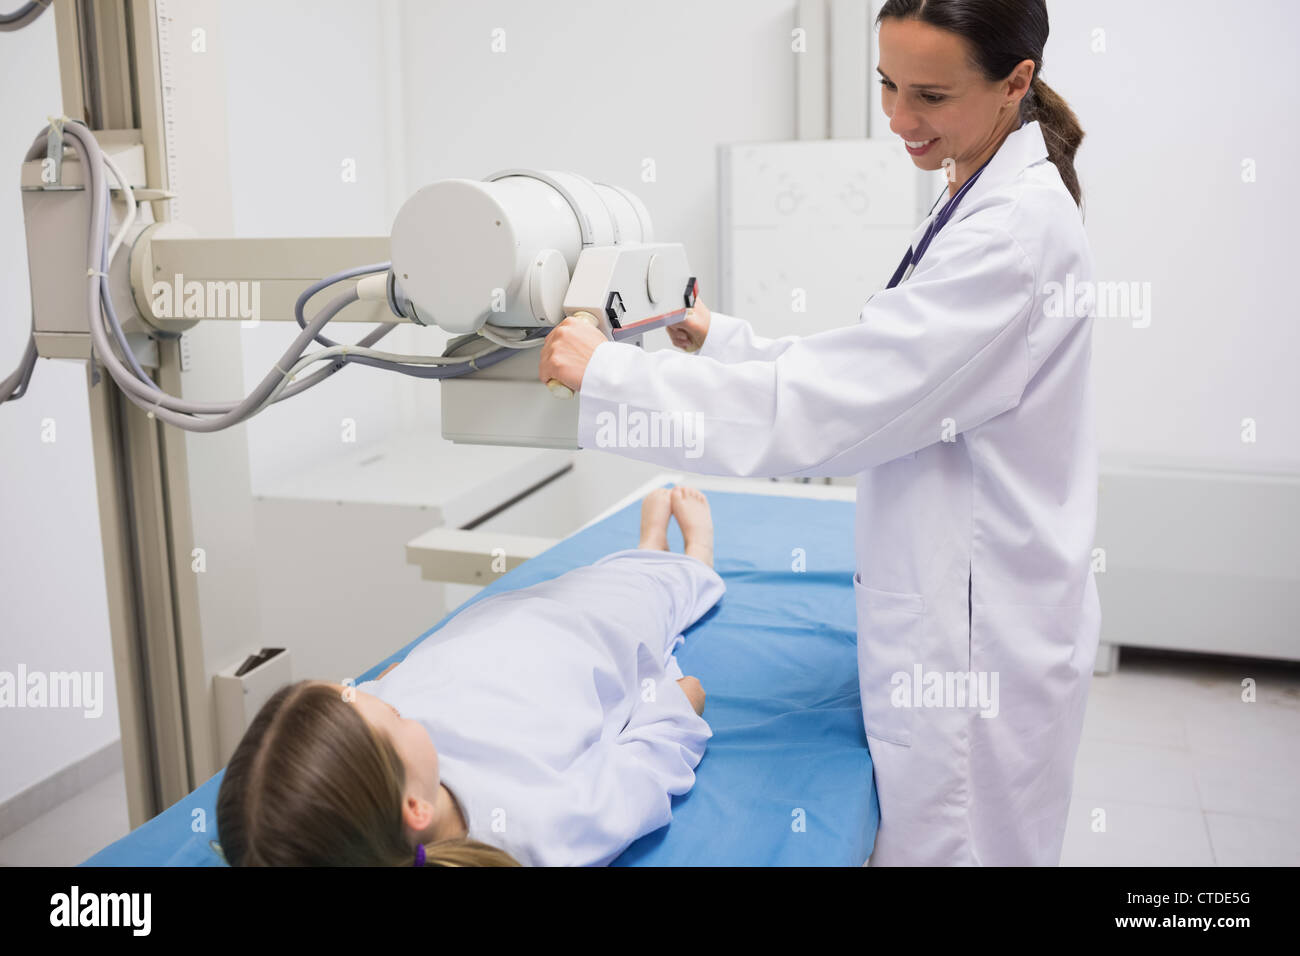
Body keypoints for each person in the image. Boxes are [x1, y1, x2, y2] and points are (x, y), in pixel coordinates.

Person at [538, 0, 1099, 866]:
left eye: (930, 95)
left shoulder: (1015, 234)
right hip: (960, 596)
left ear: (1014, 83)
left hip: (976, 636)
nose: (898, 119)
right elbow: (882, 369)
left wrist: (611, 374)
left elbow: (833, 411)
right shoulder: (974, 188)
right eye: (885, 83)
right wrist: (721, 340)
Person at [216, 486, 723, 866]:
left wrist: (389, 689)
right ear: (415, 807)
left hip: (491, 633)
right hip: (580, 642)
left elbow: (369, 710)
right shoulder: (538, 826)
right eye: (393, 713)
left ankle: (649, 547)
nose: (381, 696)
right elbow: (638, 776)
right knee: (642, 596)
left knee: (592, 581)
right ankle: (691, 557)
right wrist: (675, 708)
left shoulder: (394, 774)